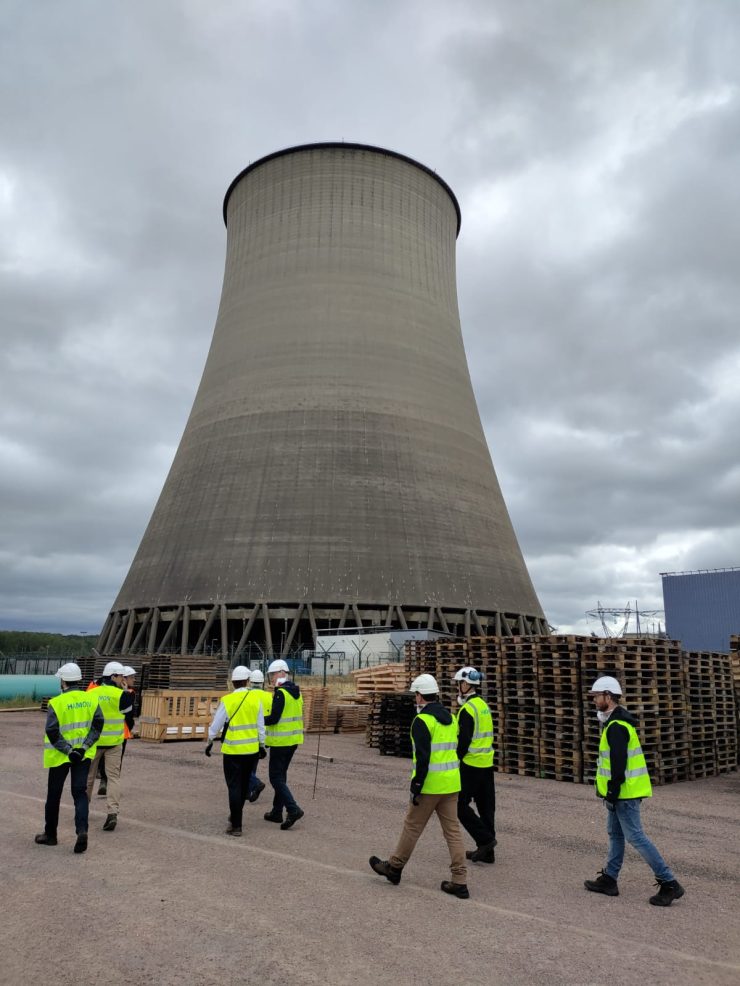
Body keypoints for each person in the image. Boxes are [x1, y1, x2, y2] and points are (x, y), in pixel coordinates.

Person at [584, 675, 685, 907]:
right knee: (616, 834)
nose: (594, 700)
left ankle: (669, 883)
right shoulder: (616, 723)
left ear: (608, 697)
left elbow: (619, 763)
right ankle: (609, 879)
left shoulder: (617, 727)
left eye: (596, 696)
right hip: (622, 792)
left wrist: (613, 790)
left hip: (624, 793)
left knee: (636, 837)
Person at [369, 673, 469, 899]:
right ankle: (460, 880)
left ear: (420, 696)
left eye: (415, 695)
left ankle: (394, 868)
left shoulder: (422, 721)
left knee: (412, 827)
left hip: (429, 786)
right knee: (453, 833)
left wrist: (416, 786)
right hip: (452, 784)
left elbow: (423, 758)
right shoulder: (451, 718)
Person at [36, 662, 104, 854]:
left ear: (63, 681)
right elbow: (98, 725)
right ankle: (82, 831)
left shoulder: (56, 703)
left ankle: (50, 836)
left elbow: (52, 731)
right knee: (79, 793)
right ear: (79, 680)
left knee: (54, 795)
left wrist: (68, 750)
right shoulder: (91, 699)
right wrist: (82, 748)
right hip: (83, 755)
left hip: (60, 757)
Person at [205, 666, 266, 836]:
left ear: (232, 682)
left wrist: (209, 742)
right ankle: (235, 819)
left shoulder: (228, 700)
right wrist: (262, 746)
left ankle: (236, 825)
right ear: (248, 681)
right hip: (251, 751)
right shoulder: (255, 700)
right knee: (244, 786)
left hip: (232, 752)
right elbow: (261, 727)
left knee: (234, 787)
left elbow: (216, 725)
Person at [454, 666, 496, 864]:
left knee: (459, 806)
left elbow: (463, 741)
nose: (457, 688)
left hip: (470, 765)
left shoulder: (467, 710)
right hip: (486, 765)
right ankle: (488, 853)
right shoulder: (483, 706)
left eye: (459, 684)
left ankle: (486, 841)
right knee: (486, 808)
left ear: (465, 684)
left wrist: (455, 760)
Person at [85, 660, 133, 832]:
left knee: (88, 777)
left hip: (94, 742)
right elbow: (130, 717)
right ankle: (112, 813)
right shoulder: (121, 695)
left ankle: (83, 810)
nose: (123, 679)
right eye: (121, 676)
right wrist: (126, 690)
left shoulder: (92, 693)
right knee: (113, 778)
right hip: (114, 743)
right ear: (113, 676)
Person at [263, 658, 304, 829]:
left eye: (273, 674)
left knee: (275, 777)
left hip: (281, 742)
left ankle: (292, 809)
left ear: (281, 673)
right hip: (293, 741)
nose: (272, 678)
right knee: (281, 775)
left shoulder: (281, 693)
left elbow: (273, 718)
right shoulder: (296, 692)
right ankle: (276, 812)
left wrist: (258, 720)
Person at [246, 669, 271, 803]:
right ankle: (249, 789)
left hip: (249, 735)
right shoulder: (268, 696)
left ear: (250, 681)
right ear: (262, 682)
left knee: (243, 766)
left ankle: (255, 783)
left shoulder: (247, 695)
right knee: (253, 764)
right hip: (264, 736)